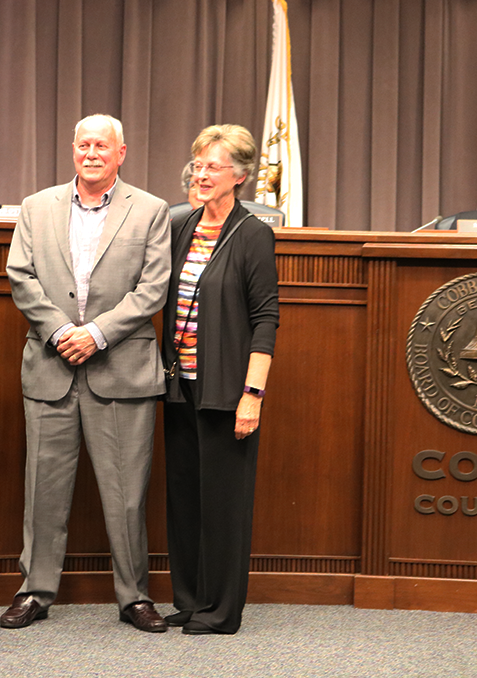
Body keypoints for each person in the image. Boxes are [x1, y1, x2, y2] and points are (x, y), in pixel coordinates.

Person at [1, 114, 171, 633]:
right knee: (43, 487)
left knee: (126, 493)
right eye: (83, 144)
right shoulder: (36, 207)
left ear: (122, 153)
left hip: (120, 368)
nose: (91, 153)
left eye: (102, 145)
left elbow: (153, 286)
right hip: (52, 364)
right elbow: (21, 275)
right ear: (72, 150)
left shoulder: (151, 210)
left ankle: (133, 596)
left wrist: (96, 333)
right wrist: (60, 332)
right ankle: (34, 591)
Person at [161, 124, 279, 635]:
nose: (202, 174)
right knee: (185, 498)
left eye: (214, 166)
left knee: (224, 506)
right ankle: (190, 599)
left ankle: (221, 609)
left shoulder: (254, 233)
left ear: (241, 175)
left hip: (227, 391)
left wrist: (252, 395)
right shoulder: (182, 225)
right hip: (179, 385)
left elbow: (266, 318)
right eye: (198, 165)